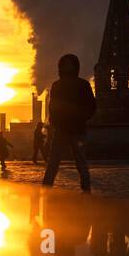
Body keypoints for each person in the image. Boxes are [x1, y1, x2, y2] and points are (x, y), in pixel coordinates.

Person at [42, 53, 96, 191]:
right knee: (54, 164)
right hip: (65, 129)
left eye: (69, 64)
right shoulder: (60, 85)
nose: (67, 68)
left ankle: (85, 191)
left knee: (79, 164)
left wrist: (77, 118)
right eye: (65, 65)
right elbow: (52, 108)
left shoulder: (80, 85)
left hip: (74, 130)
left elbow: (91, 107)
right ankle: (46, 191)